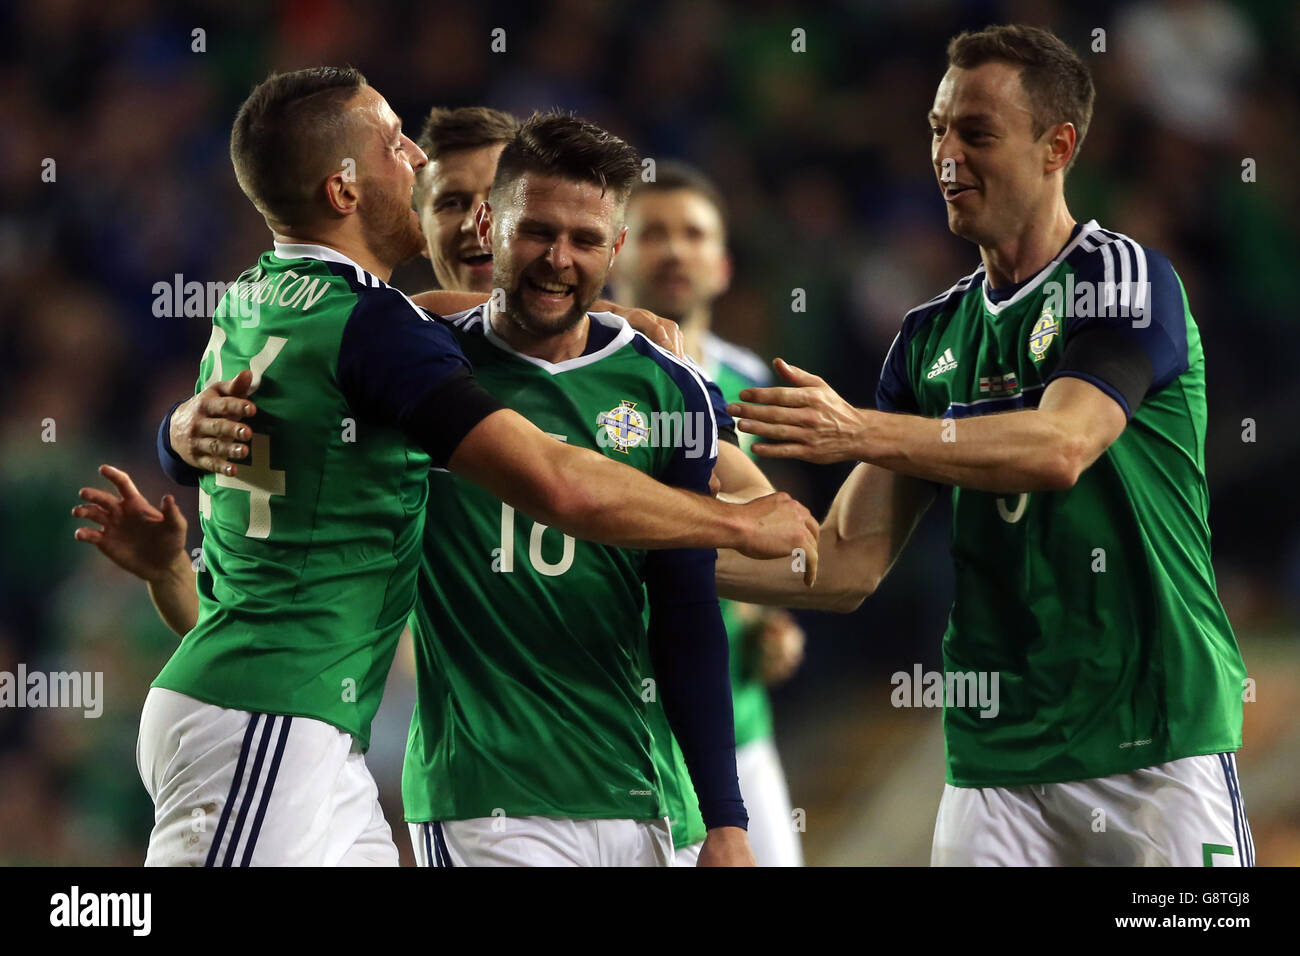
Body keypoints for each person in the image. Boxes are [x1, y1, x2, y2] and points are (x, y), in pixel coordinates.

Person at [73, 67, 817, 866]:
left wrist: (174, 438)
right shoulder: (382, 333)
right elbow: (555, 483)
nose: (417, 161)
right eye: (395, 144)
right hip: (283, 723)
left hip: (314, 729)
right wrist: (737, 524)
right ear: (343, 190)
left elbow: (403, 334)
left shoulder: (258, 293)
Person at [721, 24, 1251, 867]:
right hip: (996, 765)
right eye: (938, 129)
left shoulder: (1121, 280)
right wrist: (644, 547)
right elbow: (842, 564)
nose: (946, 155)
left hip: (1154, 741)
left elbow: (1061, 446)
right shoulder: (928, 337)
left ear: (1058, 147)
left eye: (976, 132)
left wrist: (857, 428)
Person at [611, 162, 805, 866]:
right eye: (652, 233)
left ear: (722, 267)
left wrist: (771, 623)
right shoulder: (589, 377)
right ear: (615, 254)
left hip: (736, 722)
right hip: (618, 720)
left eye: (693, 235)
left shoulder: (752, 388)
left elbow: (769, 526)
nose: (673, 250)